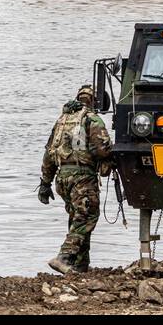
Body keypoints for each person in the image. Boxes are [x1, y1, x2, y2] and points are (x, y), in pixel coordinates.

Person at [37, 85, 112, 274]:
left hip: (62, 178)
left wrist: (45, 184)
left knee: (77, 217)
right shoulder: (91, 119)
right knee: (86, 217)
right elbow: (102, 150)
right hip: (82, 177)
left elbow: (49, 154)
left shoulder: (62, 121)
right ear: (94, 101)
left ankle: (79, 265)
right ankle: (64, 257)